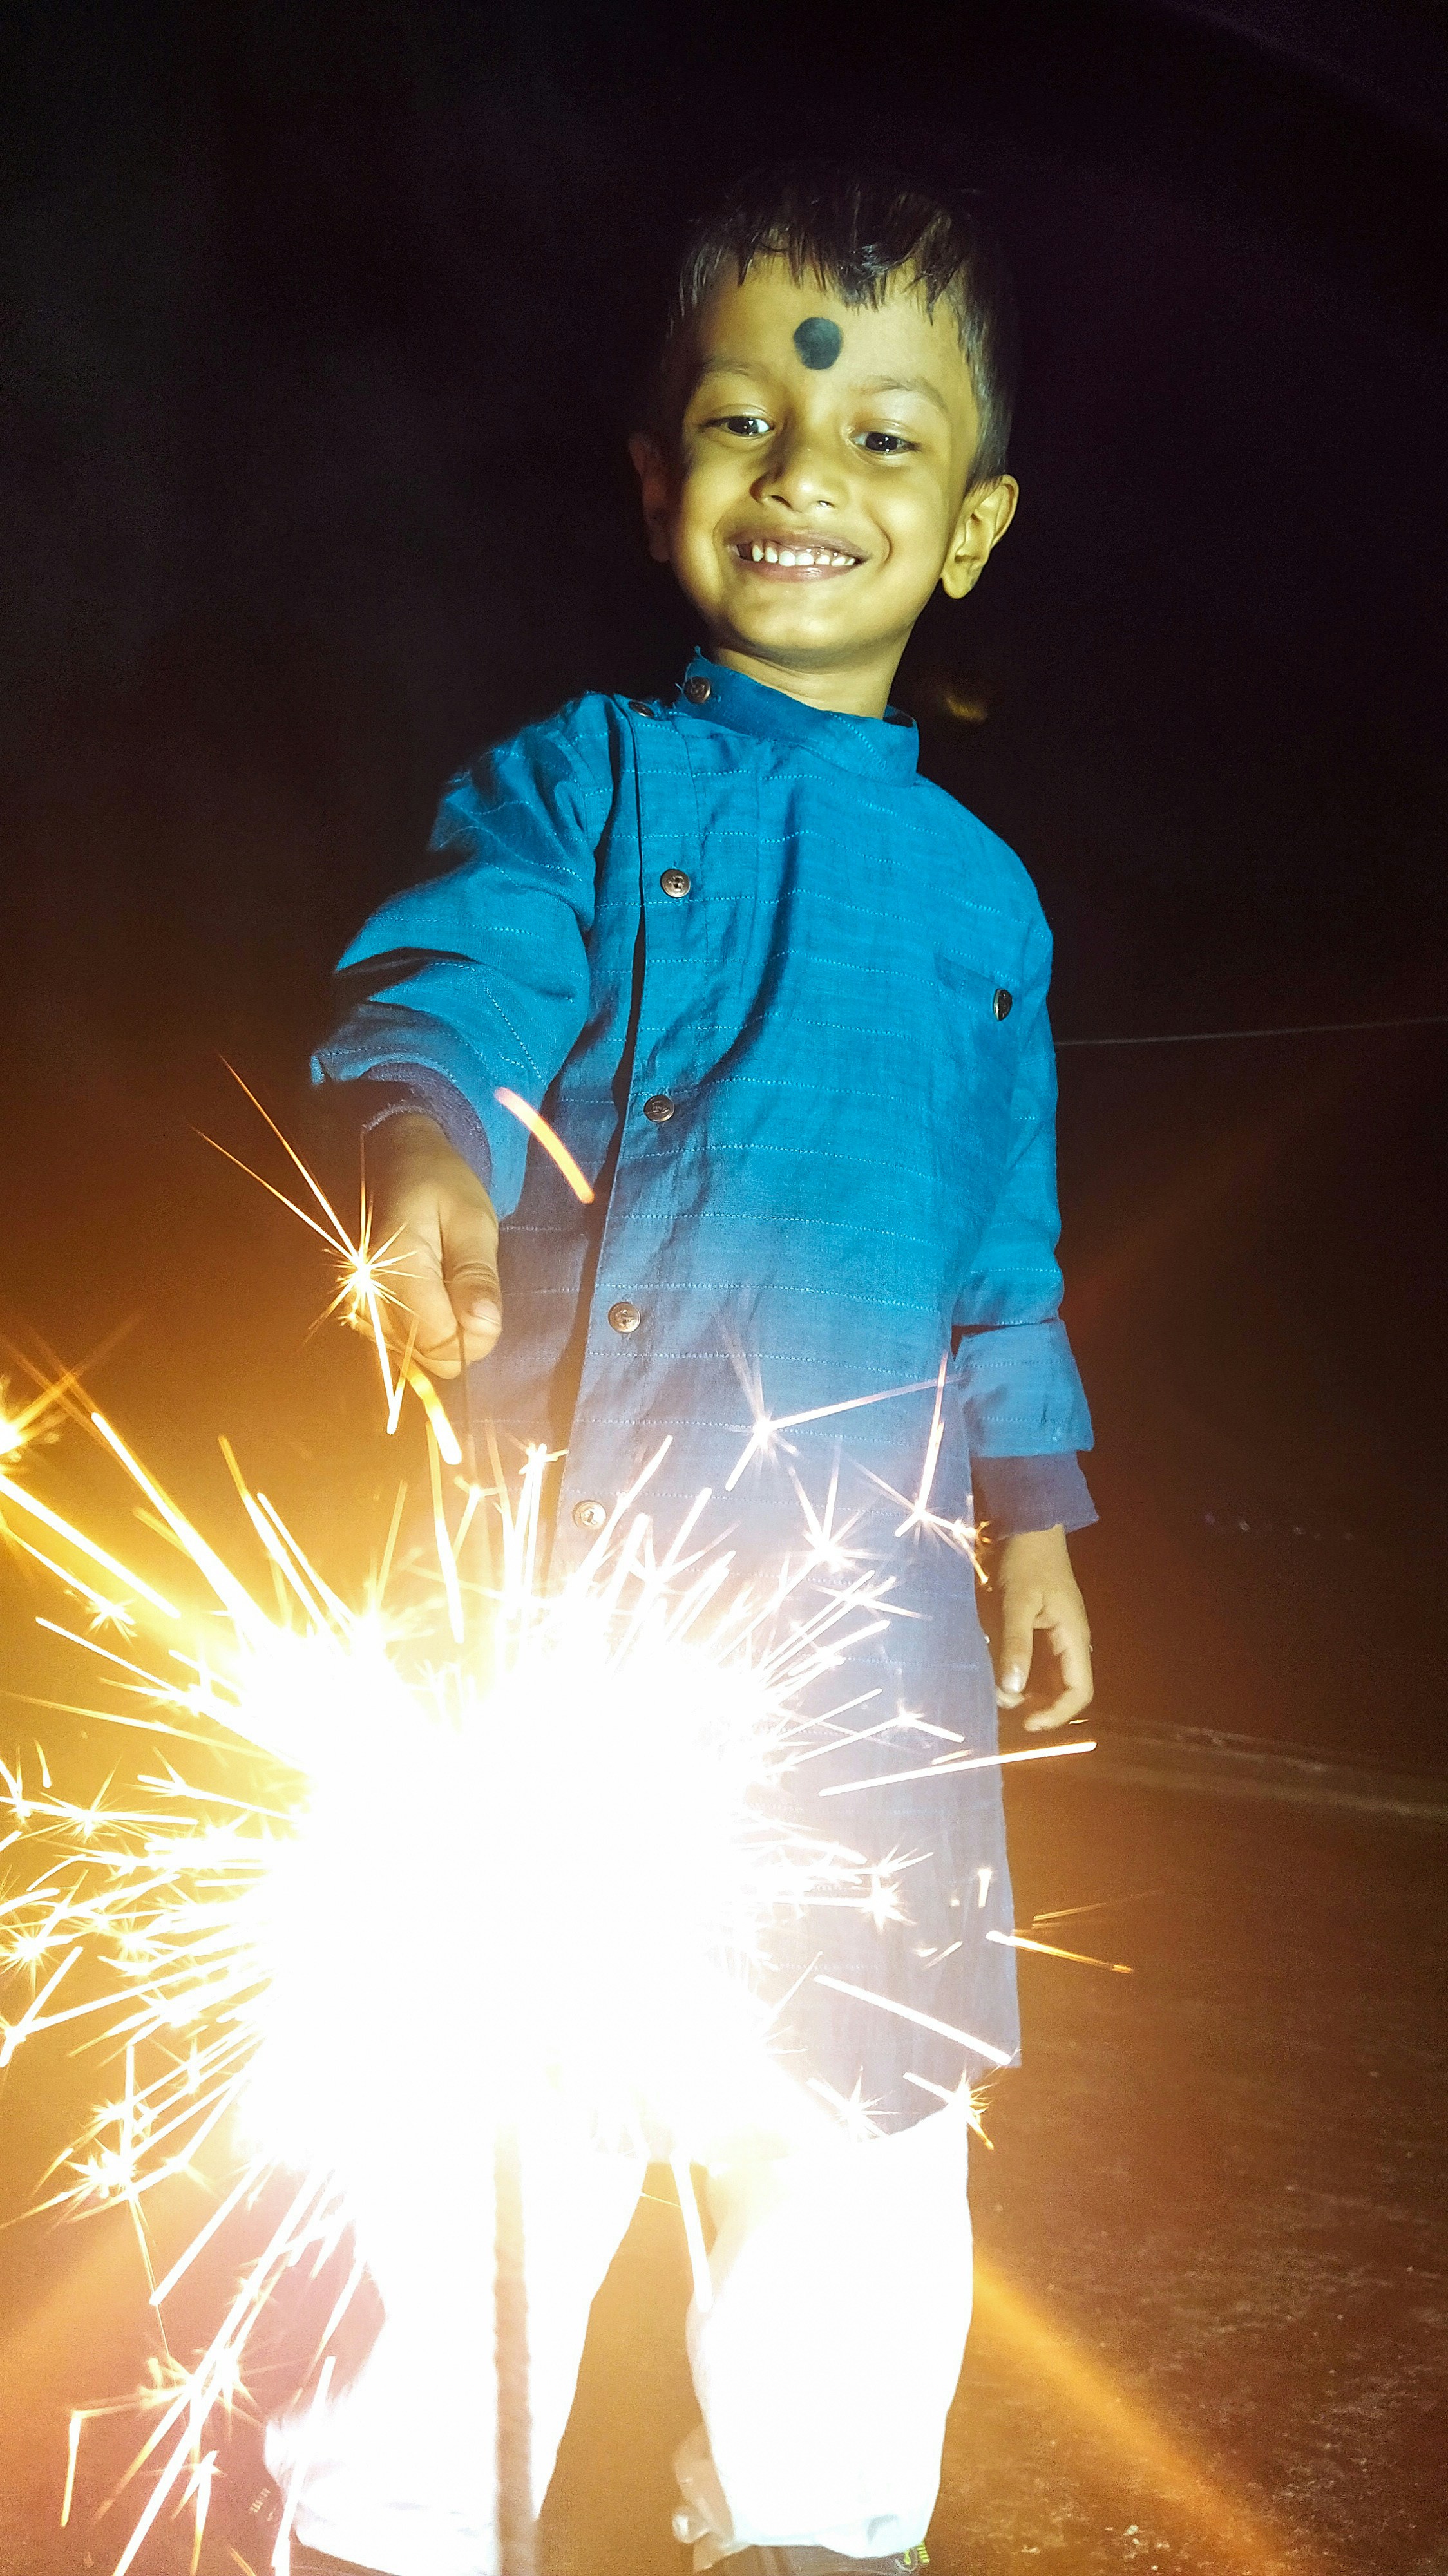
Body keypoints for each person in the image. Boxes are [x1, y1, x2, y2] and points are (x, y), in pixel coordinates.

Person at [270, 162, 1096, 2576]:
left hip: (872, 1682)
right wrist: (421, 1144)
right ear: (659, 484)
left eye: (882, 444)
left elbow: (1003, 1255)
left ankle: (819, 2532)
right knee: (467, 2165)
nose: (808, 481)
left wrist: (1039, 1509)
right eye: (748, 422)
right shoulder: (574, 789)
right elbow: (432, 997)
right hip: (554, 1655)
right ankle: (391, 2533)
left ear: (973, 523)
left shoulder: (991, 907)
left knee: (855, 2167)